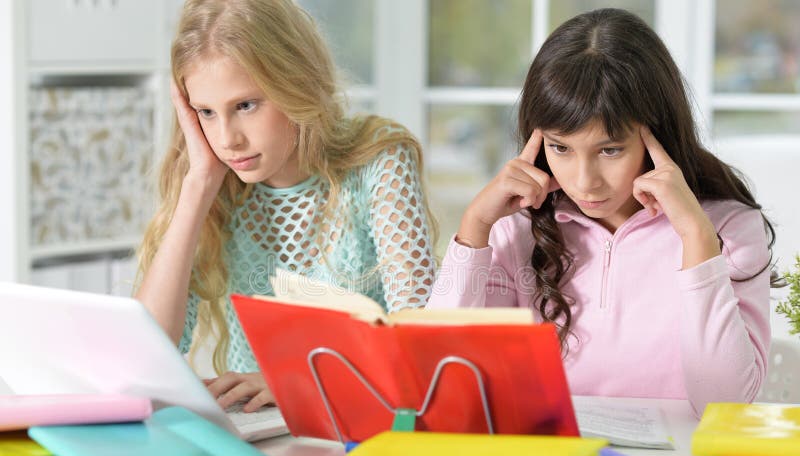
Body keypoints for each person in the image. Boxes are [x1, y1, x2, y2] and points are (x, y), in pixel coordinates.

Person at [427, 8, 778, 416]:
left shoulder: (729, 228)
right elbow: (441, 379)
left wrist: (697, 238)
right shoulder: (514, 231)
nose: (584, 180)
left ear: (656, 136)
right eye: (560, 148)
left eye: (609, 150)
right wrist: (474, 229)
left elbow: (726, 405)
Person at [136, 0, 436, 413]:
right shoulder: (217, 183)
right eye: (206, 112)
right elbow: (147, 353)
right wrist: (198, 185)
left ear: (295, 84)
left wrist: (297, 380)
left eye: (245, 105)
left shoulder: (378, 161)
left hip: (363, 418)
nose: (227, 139)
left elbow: (421, 340)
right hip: (262, 428)